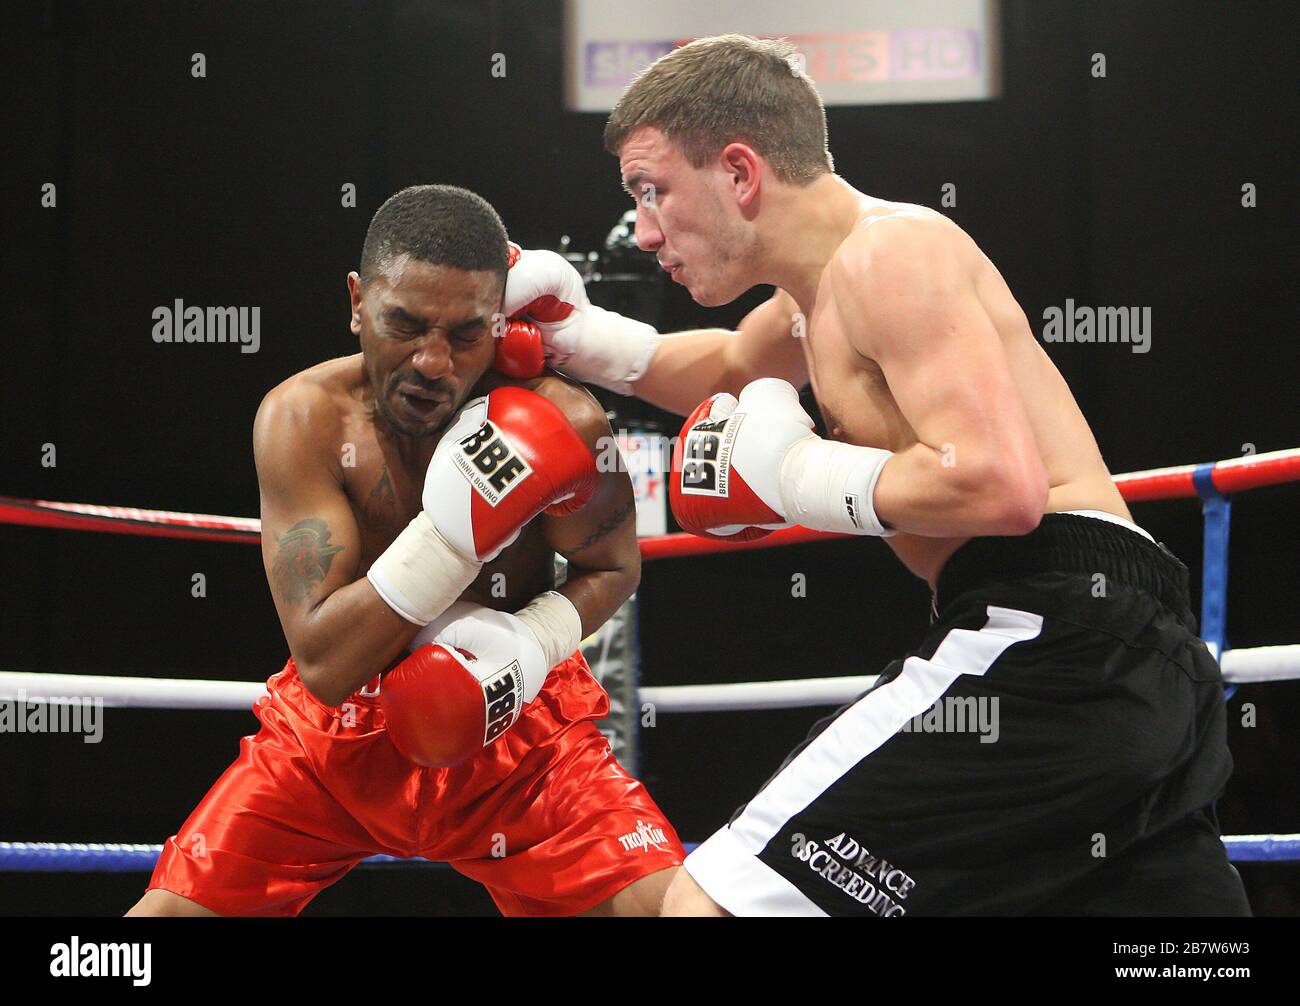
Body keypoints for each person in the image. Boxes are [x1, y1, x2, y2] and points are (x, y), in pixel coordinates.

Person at [502, 35, 1250, 916]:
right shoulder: (815, 298)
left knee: (707, 906)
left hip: (1054, 636)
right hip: (1124, 667)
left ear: (740, 172)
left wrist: (791, 472)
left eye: (652, 192)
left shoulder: (891, 254)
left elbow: (999, 489)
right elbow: (723, 367)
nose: (649, 231)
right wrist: (579, 338)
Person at [127, 184, 683, 917]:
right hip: (333, 745)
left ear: (499, 324)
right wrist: (452, 533)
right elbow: (325, 664)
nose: (431, 361)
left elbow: (613, 566)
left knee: (677, 910)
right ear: (357, 301)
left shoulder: (567, 422)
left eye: (463, 335)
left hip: (518, 734)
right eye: (405, 324)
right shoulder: (304, 421)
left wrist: (528, 640)